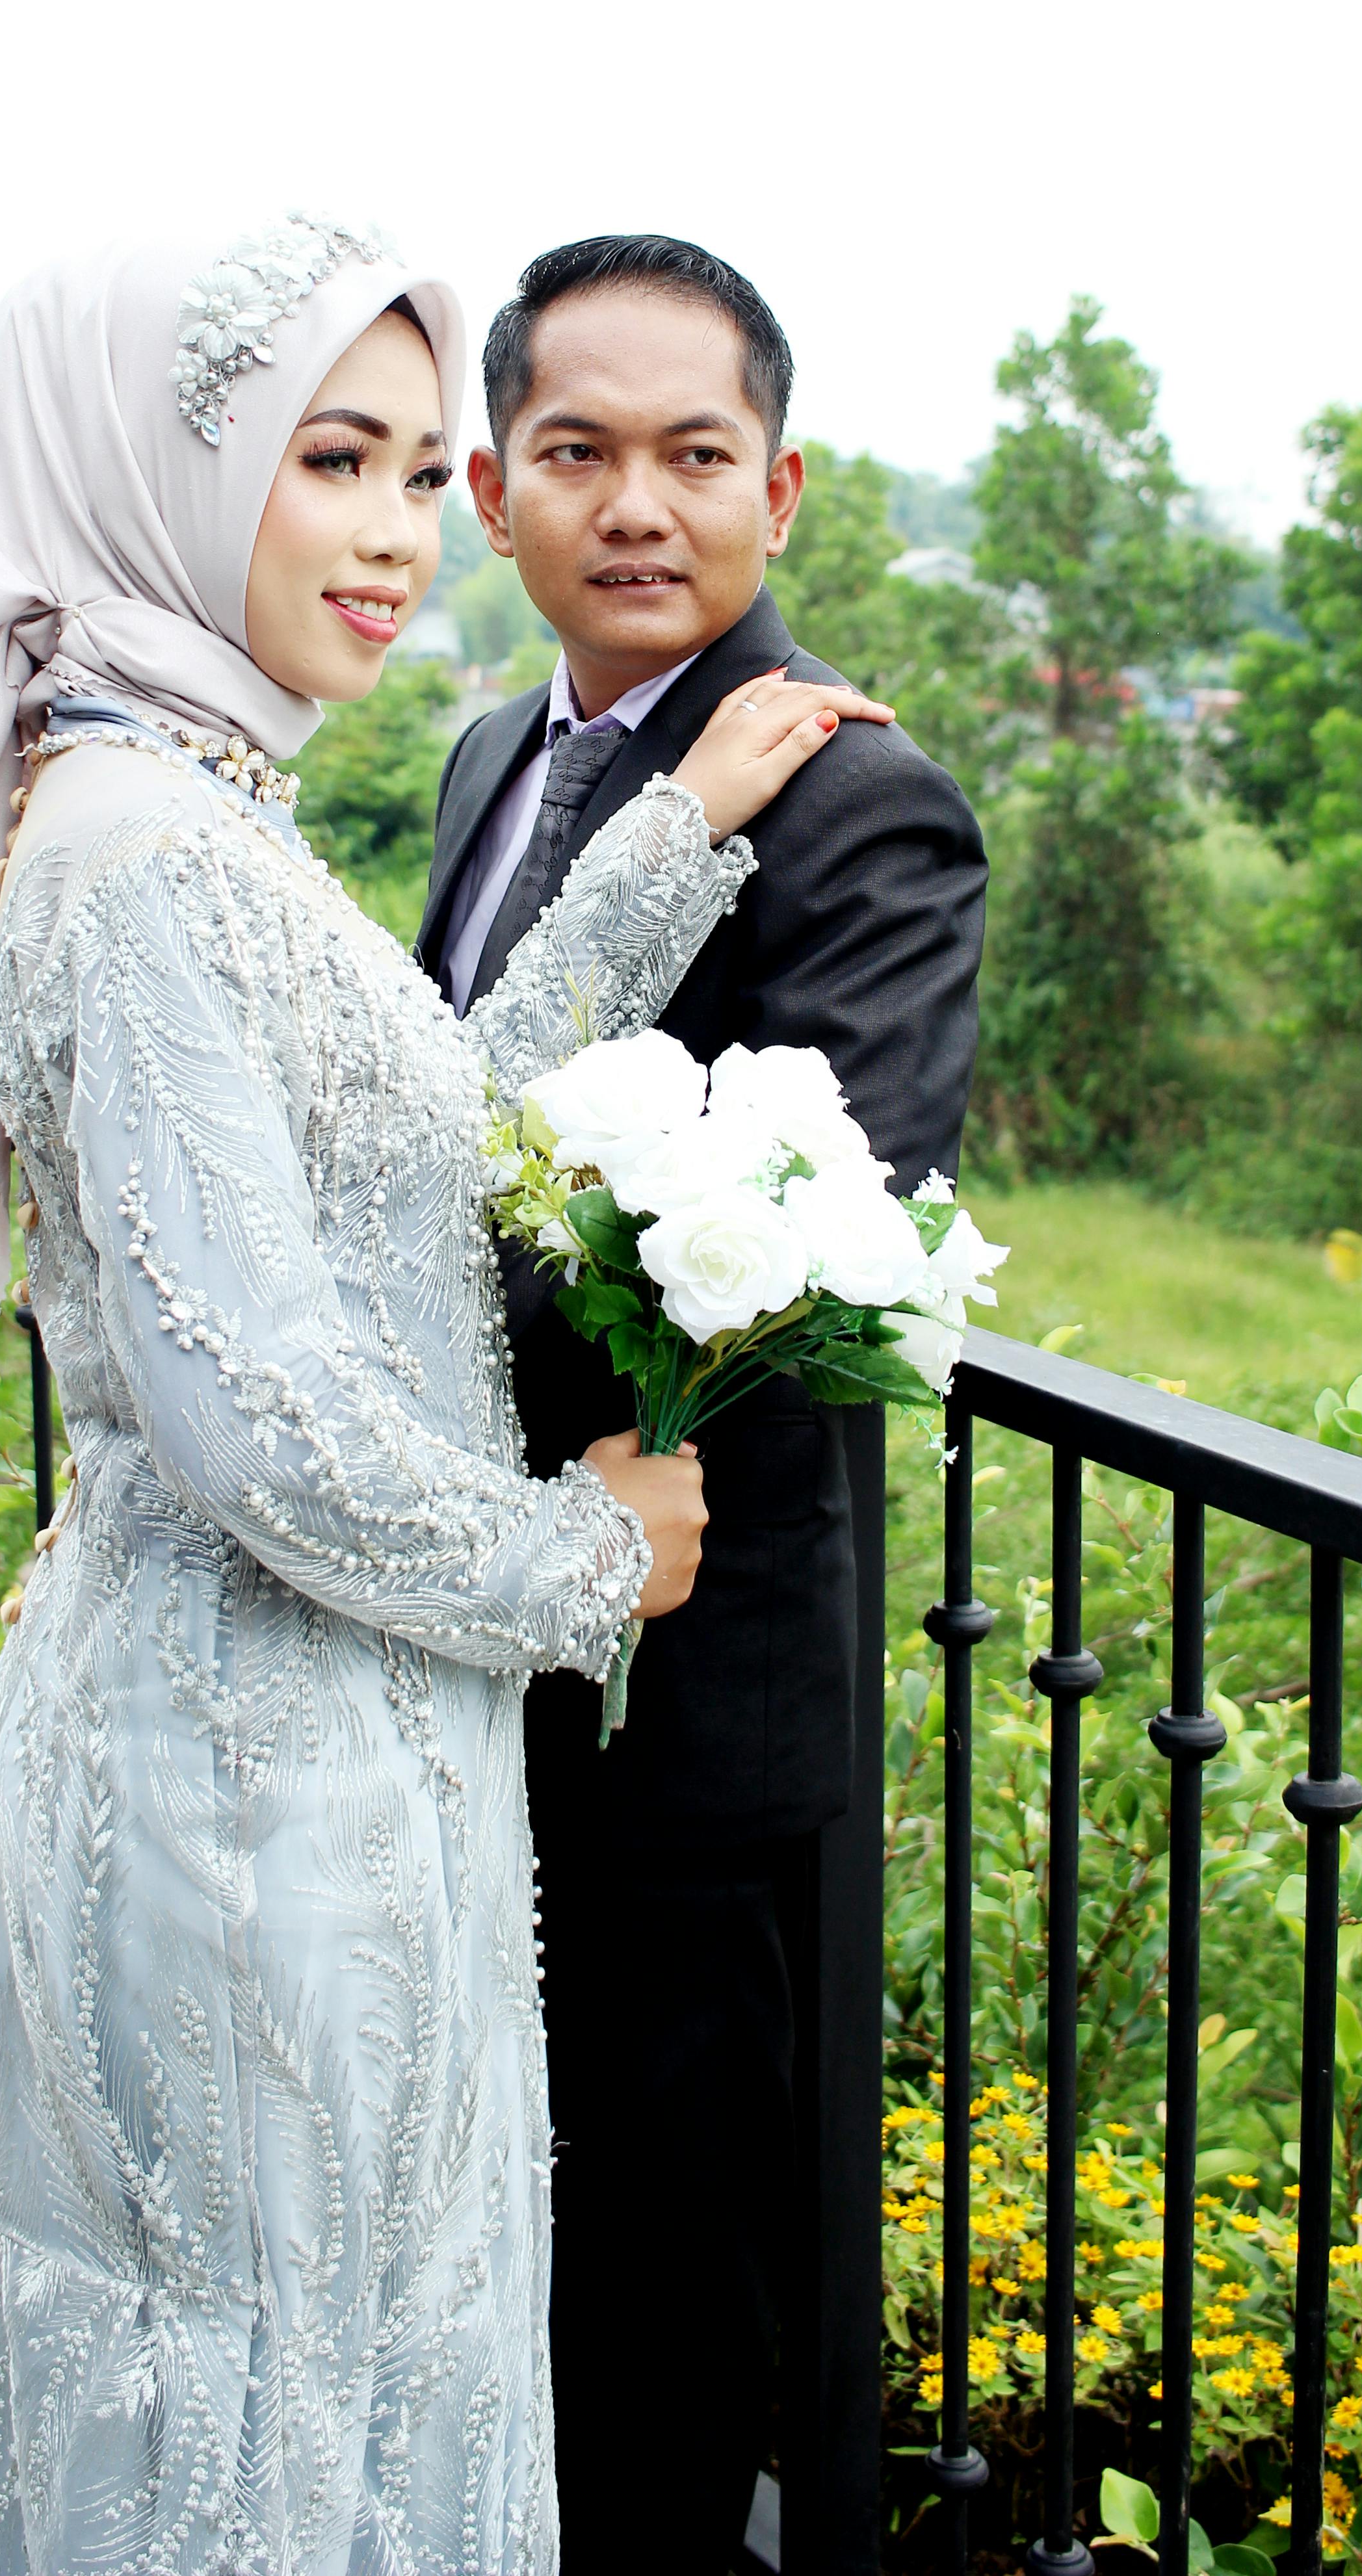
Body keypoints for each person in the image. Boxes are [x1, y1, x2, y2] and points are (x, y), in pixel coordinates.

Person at [0, 215, 884, 2576]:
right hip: (245, 1795)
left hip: (308, 1761)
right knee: (249, 2394)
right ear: (156, 489)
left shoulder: (190, 800)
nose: (392, 539)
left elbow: (404, 1151)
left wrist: (672, 842)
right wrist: (594, 1555)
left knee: (275, 2370)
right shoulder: (149, 854)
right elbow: (255, 1409)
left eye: (406, 471)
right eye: (327, 467)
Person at [417, 231, 988, 2574]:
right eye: (580, 452)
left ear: (785, 489)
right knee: (492, 2234)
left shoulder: (858, 799)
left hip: (689, 1674)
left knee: (661, 2290)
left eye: (693, 455)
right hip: (470, 1620)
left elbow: (827, 1214)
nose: (637, 505)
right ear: (492, 488)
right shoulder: (489, 750)